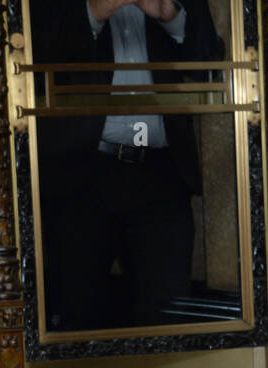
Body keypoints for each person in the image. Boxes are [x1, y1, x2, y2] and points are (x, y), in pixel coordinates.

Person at [29, 0, 224, 330]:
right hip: (81, 177)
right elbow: (29, 65)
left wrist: (171, 18)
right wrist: (92, 13)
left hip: (161, 176)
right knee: (76, 316)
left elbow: (212, 68)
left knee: (169, 318)